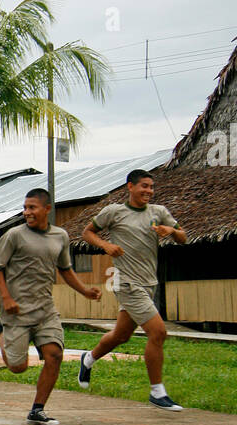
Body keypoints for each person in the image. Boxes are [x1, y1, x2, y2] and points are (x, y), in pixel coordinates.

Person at [0, 188, 102, 425]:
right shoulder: (14, 235)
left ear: (47, 209)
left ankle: (37, 410)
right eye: (25, 207)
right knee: (18, 368)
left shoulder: (60, 236)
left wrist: (85, 290)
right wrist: (6, 298)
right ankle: (1, 334)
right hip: (17, 310)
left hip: (45, 310)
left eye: (32, 207)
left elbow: (65, 269)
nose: (26, 212)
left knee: (55, 355)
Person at [77, 169, 187, 410]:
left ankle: (89, 358)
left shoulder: (159, 213)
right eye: (143, 186)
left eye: (151, 187)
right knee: (158, 332)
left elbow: (184, 237)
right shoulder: (114, 212)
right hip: (126, 282)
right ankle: (157, 392)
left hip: (149, 283)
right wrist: (105, 245)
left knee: (121, 336)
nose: (148, 191)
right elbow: (87, 233)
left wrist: (171, 231)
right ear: (130, 186)